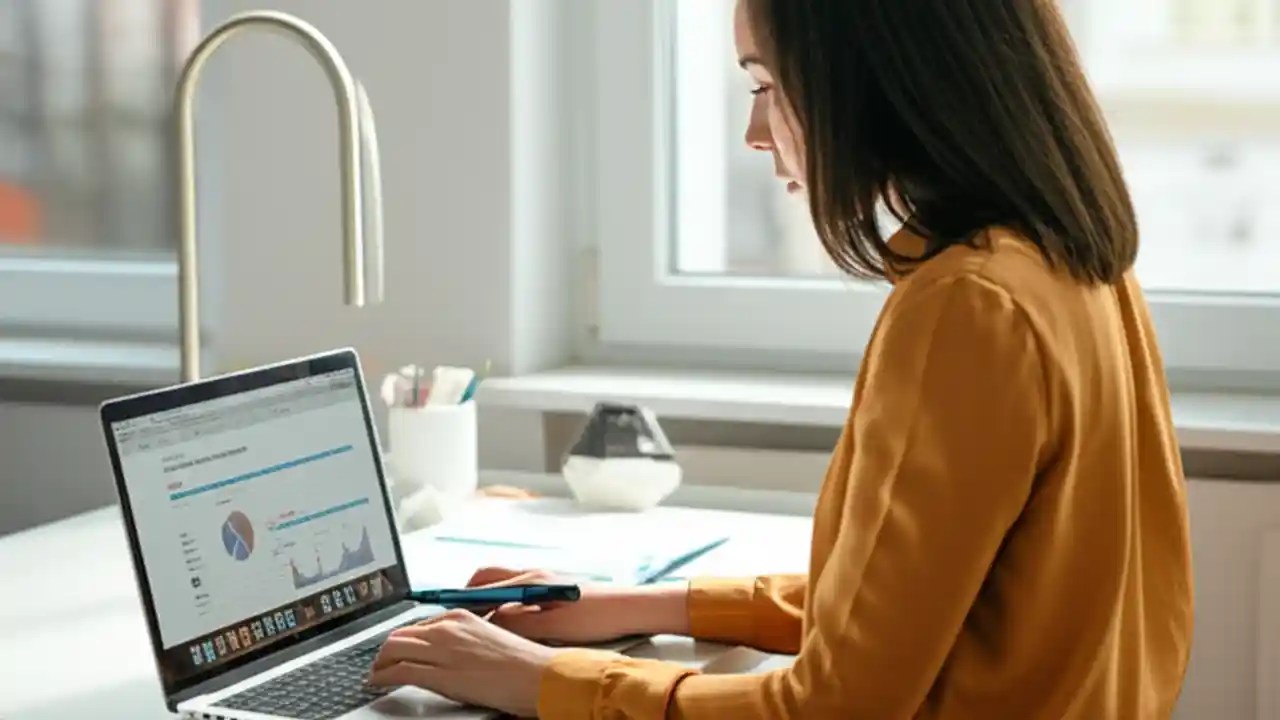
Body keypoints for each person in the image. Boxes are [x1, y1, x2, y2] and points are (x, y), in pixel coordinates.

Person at [367, 0, 1194, 716]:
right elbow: (899, 617)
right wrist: (623, 606)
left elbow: (838, 704)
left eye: (764, 86)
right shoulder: (1076, 262)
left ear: (873, 79)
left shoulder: (968, 308)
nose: (755, 133)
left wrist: (549, 681)